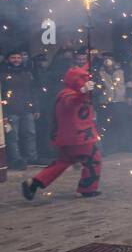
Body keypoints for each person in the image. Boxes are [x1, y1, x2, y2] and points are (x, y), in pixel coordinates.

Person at [21, 66, 103, 200]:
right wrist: (82, 91)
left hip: (70, 137)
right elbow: (72, 101)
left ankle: (34, 183)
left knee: (63, 162)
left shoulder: (68, 93)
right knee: (93, 160)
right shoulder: (67, 94)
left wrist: (84, 91)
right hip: (79, 137)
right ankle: (86, 189)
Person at [2, 50, 38, 170]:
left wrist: (35, 108)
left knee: (30, 134)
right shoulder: (3, 74)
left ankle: (31, 158)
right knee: (13, 137)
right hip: (11, 111)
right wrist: (4, 113)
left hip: (27, 109)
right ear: (8, 59)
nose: (16, 60)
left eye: (18, 57)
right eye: (13, 57)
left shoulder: (27, 73)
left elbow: (33, 91)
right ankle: (16, 160)